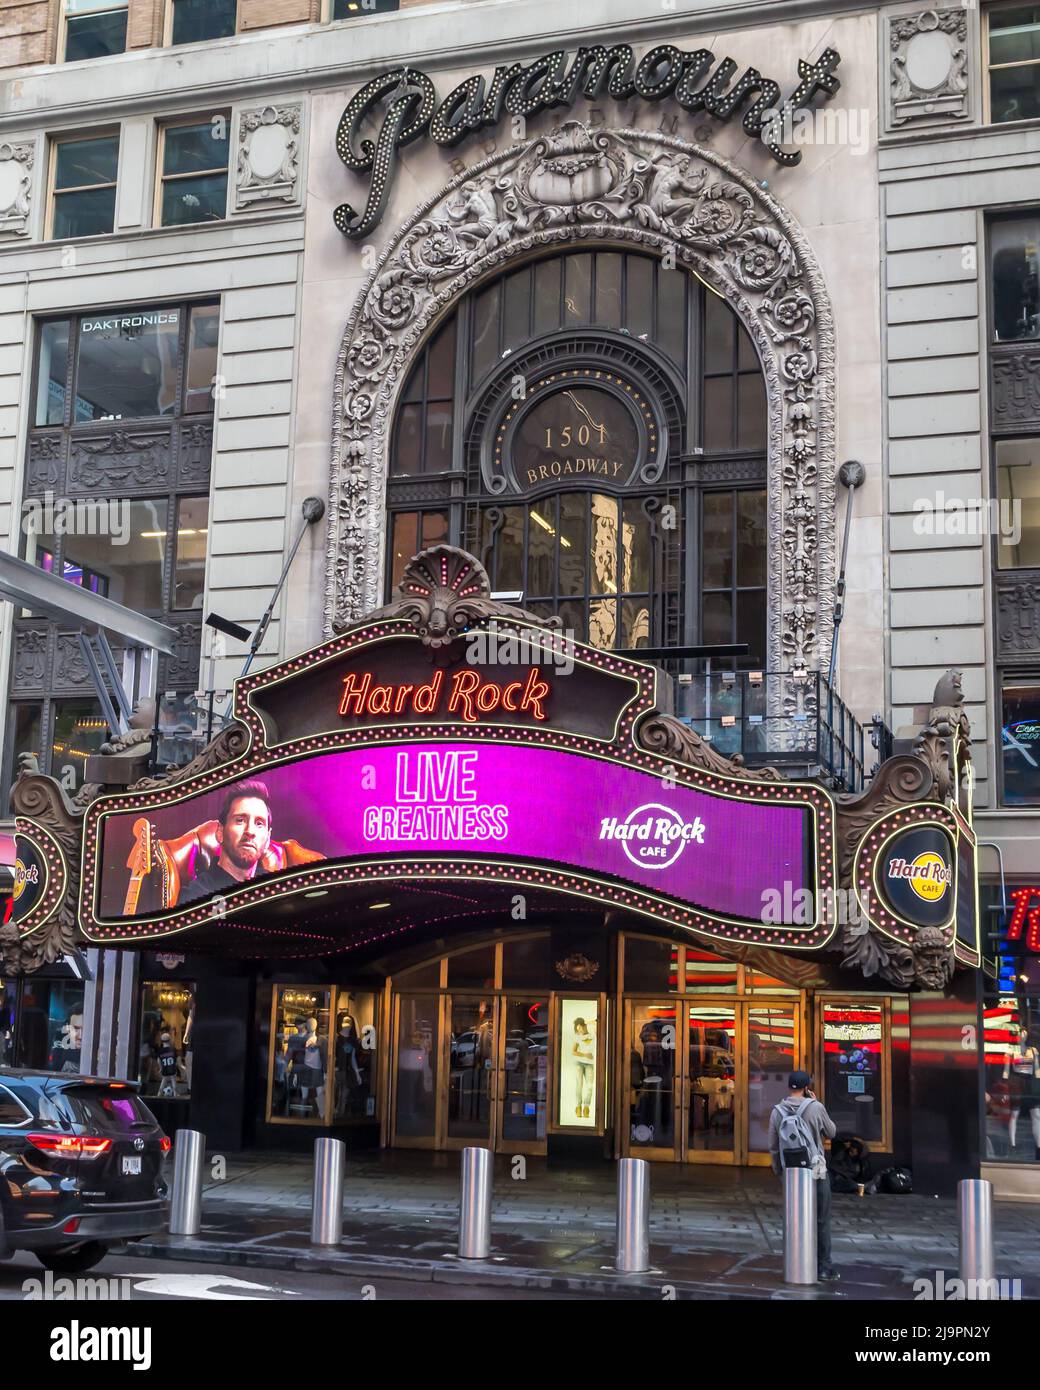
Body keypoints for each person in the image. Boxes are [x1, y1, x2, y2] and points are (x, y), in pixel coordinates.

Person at [768, 1069, 839, 1282]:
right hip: (816, 1169)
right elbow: (832, 1132)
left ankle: (796, 1263)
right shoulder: (816, 1107)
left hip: (791, 1172)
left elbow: (773, 1146)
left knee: (795, 1218)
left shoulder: (777, 1111)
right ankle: (824, 1267)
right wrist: (818, 1104)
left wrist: (779, 1171)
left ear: (790, 1087)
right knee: (821, 1218)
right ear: (807, 1088)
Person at [179, 781, 273, 904]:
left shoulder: (275, 887)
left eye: (259, 823)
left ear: (267, 839)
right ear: (220, 832)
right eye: (240, 820)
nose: (250, 831)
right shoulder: (195, 897)